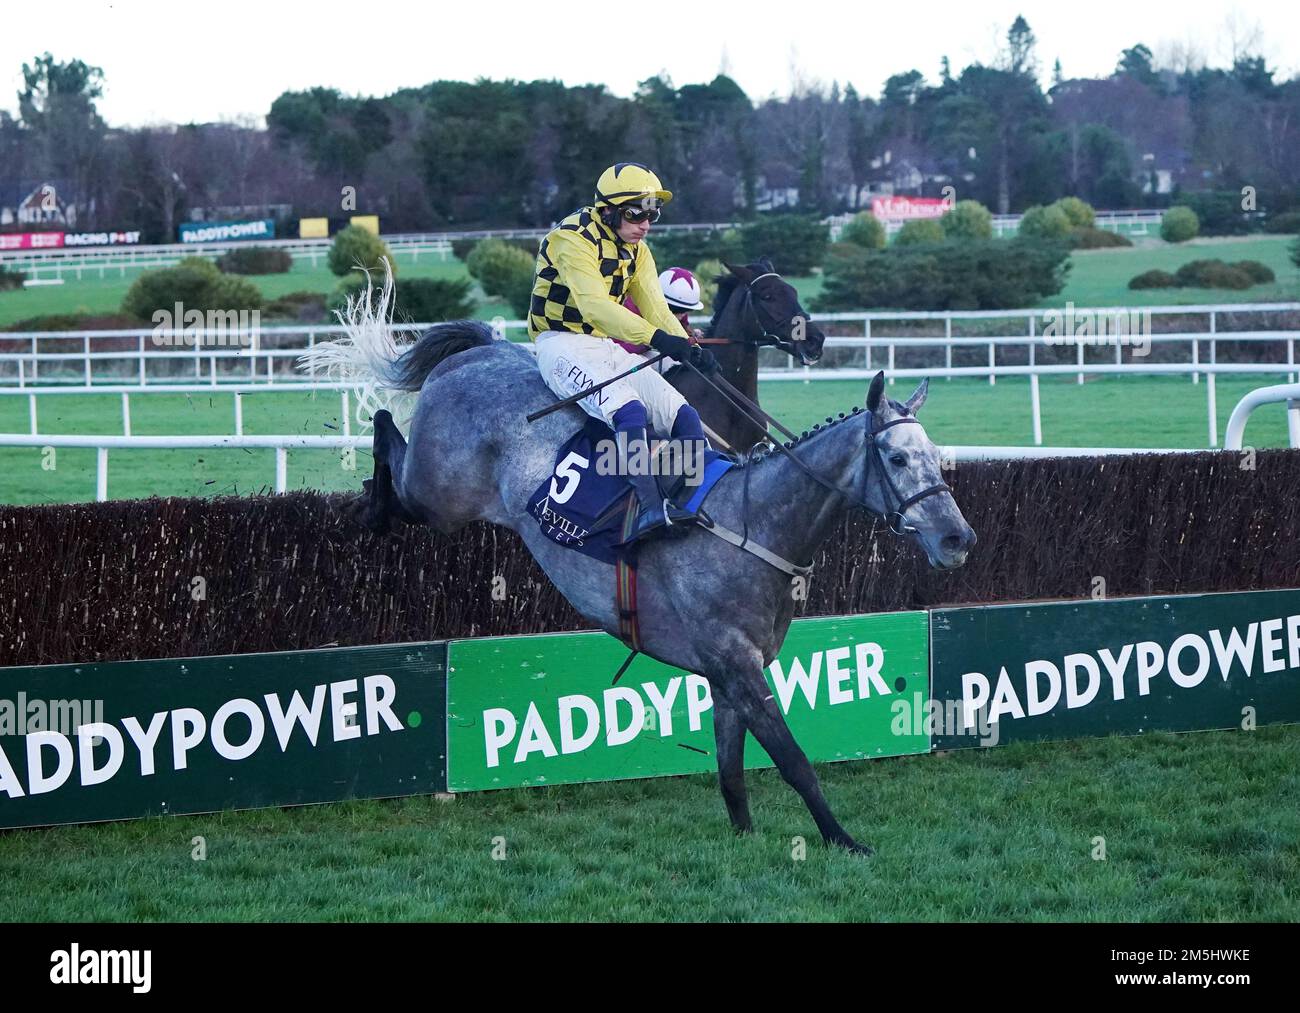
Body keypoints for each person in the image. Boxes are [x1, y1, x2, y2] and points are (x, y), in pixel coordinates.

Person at [529, 163, 718, 546]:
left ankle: (692, 499)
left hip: (604, 345)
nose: (646, 224)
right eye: (637, 213)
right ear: (608, 210)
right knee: (629, 410)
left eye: (653, 214)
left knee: (683, 414)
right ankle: (648, 508)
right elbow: (595, 307)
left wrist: (687, 344)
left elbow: (655, 307)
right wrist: (659, 339)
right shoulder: (570, 239)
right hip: (560, 343)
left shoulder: (638, 250)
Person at [616, 267, 706, 373]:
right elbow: (617, 346)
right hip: (619, 357)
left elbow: (681, 332)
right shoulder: (630, 306)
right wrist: (654, 342)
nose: (683, 315)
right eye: (678, 310)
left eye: (687, 310)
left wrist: (691, 335)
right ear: (662, 302)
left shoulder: (679, 313)